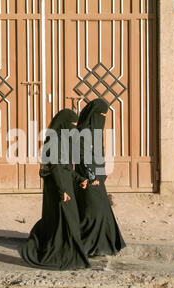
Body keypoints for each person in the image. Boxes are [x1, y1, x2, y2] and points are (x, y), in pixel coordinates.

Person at [18, 109, 91, 270]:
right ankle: (51, 252)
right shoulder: (54, 142)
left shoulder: (61, 141)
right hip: (59, 189)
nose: (73, 128)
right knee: (65, 222)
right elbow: (57, 169)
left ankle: (68, 254)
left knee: (62, 223)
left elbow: (65, 168)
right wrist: (62, 191)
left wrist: (80, 180)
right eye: (71, 125)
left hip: (65, 188)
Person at [75, 98, 126, 257]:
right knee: (93, 213)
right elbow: (82, 157)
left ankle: (102, 246)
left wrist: (101, 175)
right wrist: (91, 177)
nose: (102, 118)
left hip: (98, 178)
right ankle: (85, 246)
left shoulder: (95, 132)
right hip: (89, 179)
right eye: (100, 115)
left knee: (103, 211)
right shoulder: (84, 133)